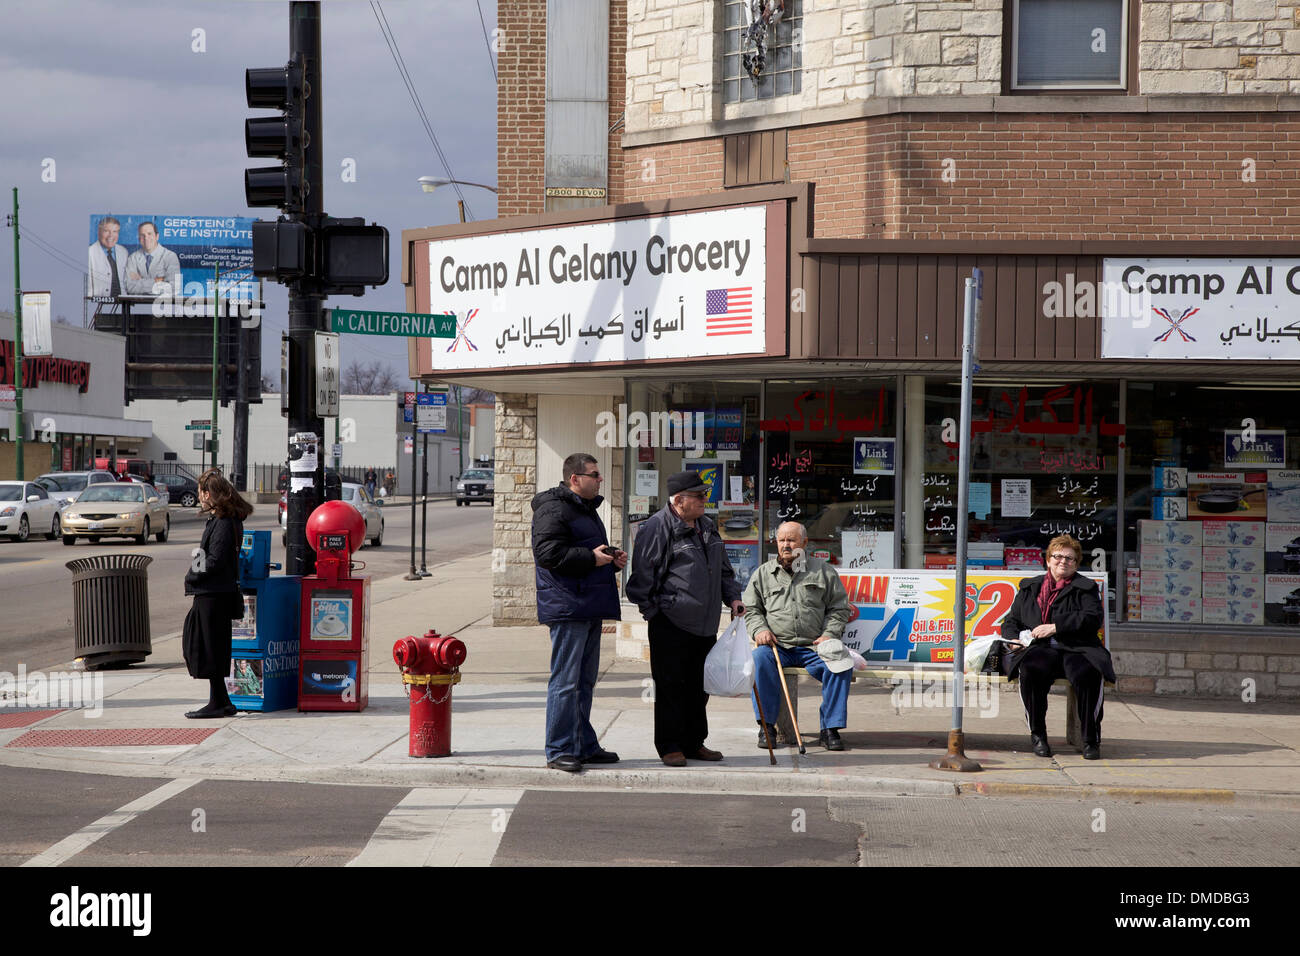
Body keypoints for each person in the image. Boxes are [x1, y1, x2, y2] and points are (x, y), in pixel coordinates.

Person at [626, 470, 743, 767]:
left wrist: (733, 597)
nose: (706, 500)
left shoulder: (707, 526)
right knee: (670, 687)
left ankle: (694, 742)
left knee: (698, 686)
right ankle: (670, 745)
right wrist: (656, 613)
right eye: (699, 496)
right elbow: (641, 579)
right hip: (671, 623)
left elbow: (723, 569)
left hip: (704, 623)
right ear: (679, 501)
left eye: (705, 495)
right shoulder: (656, 527)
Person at [531, 452, 626, 772]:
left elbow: (587, 553)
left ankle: (583, 745)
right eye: (595, 475)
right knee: (566, 681)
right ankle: (558, 749)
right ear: (575, 479)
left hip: (587, 604)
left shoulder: (584, 509)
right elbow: (547, 554)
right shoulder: (553, 509)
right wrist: (592, 557)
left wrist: (609, 558)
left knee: (584, 682)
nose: (600, 480)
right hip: (568, 606)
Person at [1001, 534, 1113, 760]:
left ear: (1076, 562)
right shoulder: (1030, 587)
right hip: (1040, 649)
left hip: (1078, 647)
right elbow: (1011, 621)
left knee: (1088, 673)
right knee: (1031, 669)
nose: (1063, 561)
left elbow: (1092, 618)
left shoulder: (1085, 587)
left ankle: (1091, 740)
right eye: (1058, 556)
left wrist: (1055, 627)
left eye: (1070, 558)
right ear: (1048, 560)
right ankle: (1038, 735)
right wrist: (1013, 640)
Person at [744, 521, 854, 751]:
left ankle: (830, 729)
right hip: (777, 646)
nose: (786, 545)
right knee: (759, 660)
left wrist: (829, 634)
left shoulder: (823, 571)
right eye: (782, 540)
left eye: (792, 540)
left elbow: (840, 608)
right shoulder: (763, 574)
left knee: (841, 662)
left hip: (814, 647)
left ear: (804, 543)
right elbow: (751, 610)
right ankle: (767, 727)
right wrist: (760, 630)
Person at [182, 469, 254, 719]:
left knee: (210, 648)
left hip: (214, 594)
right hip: (214, 593)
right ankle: (222, 701)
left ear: (210, 493)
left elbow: (215, 559)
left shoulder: (224, 523)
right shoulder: (223, 520)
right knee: (209, 646)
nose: (200, 497)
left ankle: (218, 703)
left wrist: (192, 574)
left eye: (202, 492)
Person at [123, 221, 181, 295]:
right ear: (139, 238)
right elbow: (129, 287)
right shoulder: (132, 258)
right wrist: (157, 280)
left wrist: (141, 281)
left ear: (157, 236)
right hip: (139, 304)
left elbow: (174, 287)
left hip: (162, 304)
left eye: (149, 234)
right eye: (142, 235)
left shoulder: (170, 256)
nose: (146, 238)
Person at [87, 216, 127, 297]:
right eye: (106, 231)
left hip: (122, 299)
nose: (111, 236)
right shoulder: (90, 252)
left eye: (115, 231)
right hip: (97, 299)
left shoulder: (123, 252)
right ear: (99, 232)